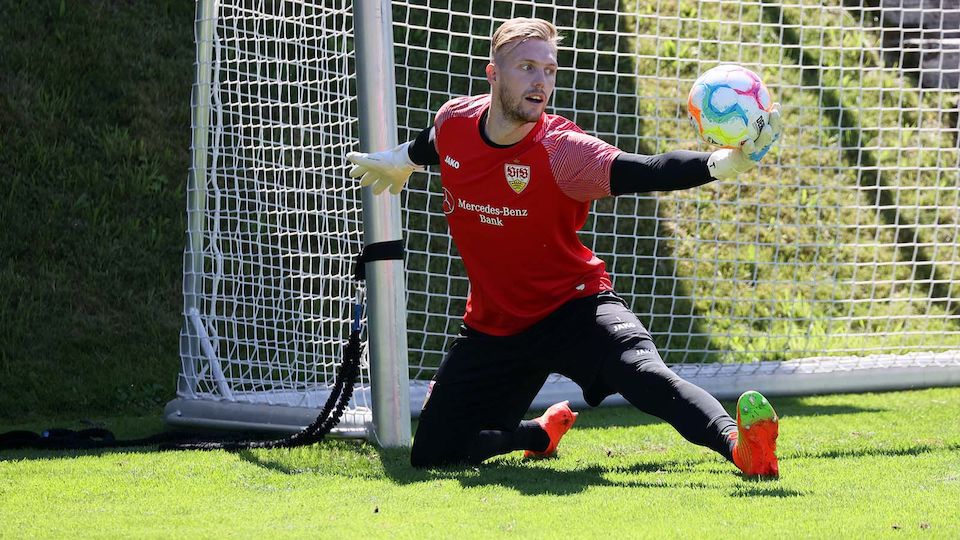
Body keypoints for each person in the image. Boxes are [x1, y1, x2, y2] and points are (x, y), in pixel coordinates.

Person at [346, 17, 782, 477]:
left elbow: (650, 169)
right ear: (493, 73)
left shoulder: (564, 151)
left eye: (549, 70)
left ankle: (741, 448)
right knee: (433, 454)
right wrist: (402, 160)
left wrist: (726, 164)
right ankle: (538, 435)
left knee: (643, 374)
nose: (541, 81)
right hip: (496, 325)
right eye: (527, 68)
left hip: (575, 307)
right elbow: (437, 142)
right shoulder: (455, 120)